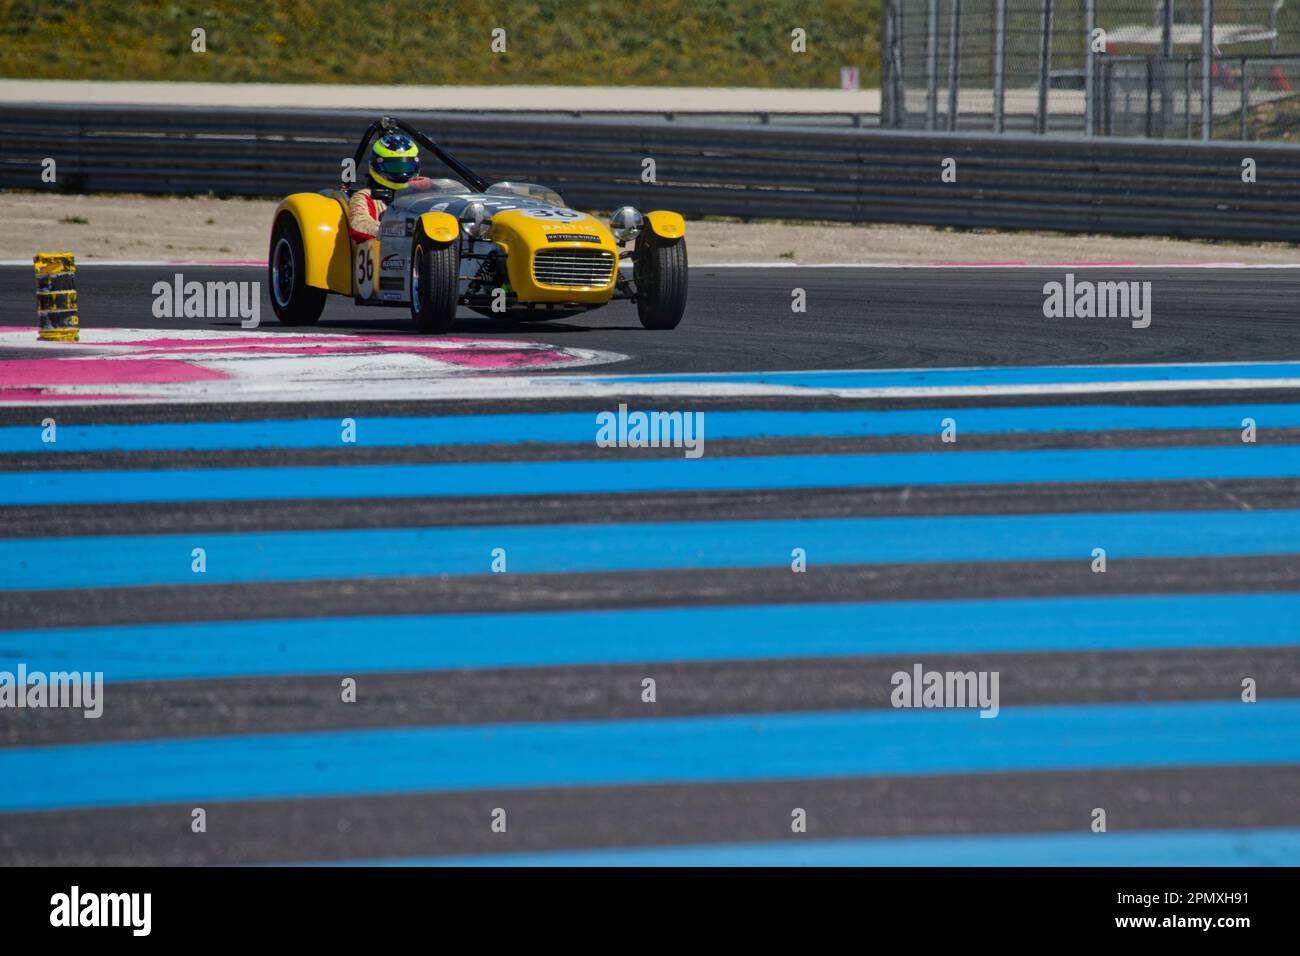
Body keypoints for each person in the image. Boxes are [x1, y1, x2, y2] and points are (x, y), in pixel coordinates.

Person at [347, 132, 428, 242]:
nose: (402, 173)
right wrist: (405, 231)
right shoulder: (365, 197)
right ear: (377, 166)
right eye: (395, 167)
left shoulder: (423, 197)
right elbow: (359, 226)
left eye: (406, 167)